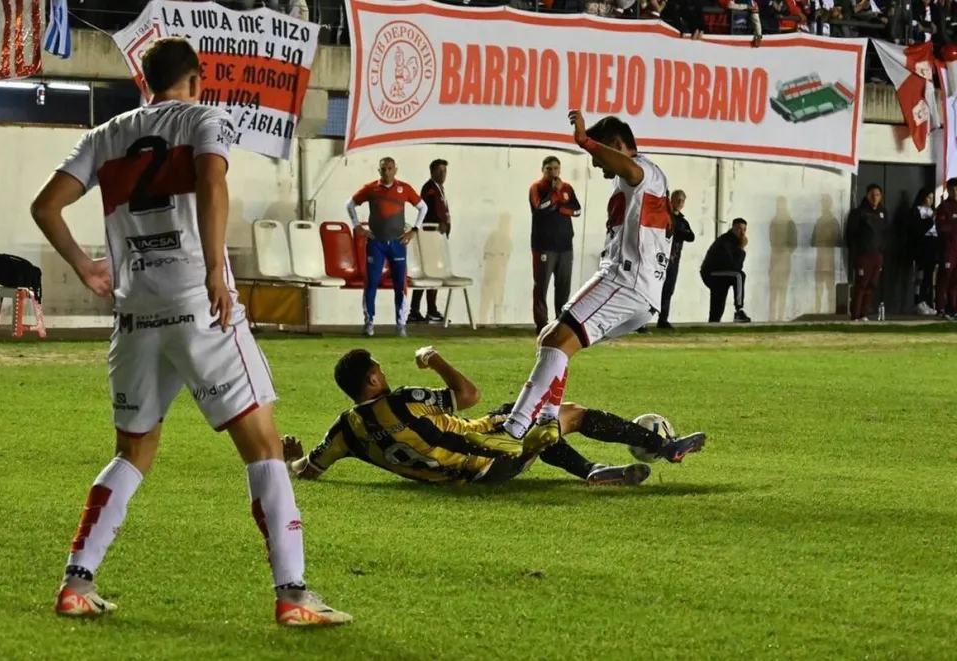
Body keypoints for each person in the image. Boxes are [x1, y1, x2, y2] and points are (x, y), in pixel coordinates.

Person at [29, 37, 349, 626]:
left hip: (135, 312)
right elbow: (212, 181)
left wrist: (85, 264)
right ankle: (294, 593)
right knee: (263, 447)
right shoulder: (207, 117)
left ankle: (77, 582)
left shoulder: (106, 135)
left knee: (132, 451)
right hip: (198, 304)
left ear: (143, 80)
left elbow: (45, 206)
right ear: (197, 78)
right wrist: (212, 272)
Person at [462, 110, 706, 460]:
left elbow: (629, 167)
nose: (595, 164)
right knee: (556, 340)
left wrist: (584, 141)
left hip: (624, 281)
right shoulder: (645, 180)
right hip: (639, 293)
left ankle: (512, 429)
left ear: (617, 146)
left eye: (598, 154)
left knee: (556, 339)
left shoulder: (643, 172)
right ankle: (547, 419)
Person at [285, 347, 705, 487]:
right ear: (374, 376)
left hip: (463, 473)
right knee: (568, 414)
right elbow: (467, 395)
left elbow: (308, 470)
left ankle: (593, 471)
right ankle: (664, 446)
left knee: (527, 418)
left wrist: (289, 458)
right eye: (380, 368)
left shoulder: (345, 430)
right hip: (491, 456)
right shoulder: (403, 400)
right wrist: (434, 359)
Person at [346, 157, 428, 338]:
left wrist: (414, 229)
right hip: (376, 243)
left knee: (400, 284)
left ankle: (401, 324)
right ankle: (369, 323)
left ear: (395, 170)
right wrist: (358, 227)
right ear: (379, 170)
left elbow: (423, 207)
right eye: (383, 169)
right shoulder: (371, 188)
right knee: (371, 283)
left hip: (398, 243)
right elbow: (349, 204)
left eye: (390, 168)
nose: (387, 172)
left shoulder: (404, 188)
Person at [529, 156, 582, 334]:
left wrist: (559, 207)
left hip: (565, 245)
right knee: (541, 285)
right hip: (544, 245)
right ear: (542, 170)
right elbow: (540, 208)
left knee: (563, 285)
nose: (553, 172)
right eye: (549, 169)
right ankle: (541, 324)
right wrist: (554, 194)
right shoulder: (537, 187)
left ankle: (561, 322)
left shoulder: (567, 187)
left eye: (556, 168)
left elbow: (577, 210)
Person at [408, 159, 450, 324]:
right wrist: (437, 224)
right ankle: (430, 310)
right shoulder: (430, 189)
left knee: (428, 274)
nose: (443, 174)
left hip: (437, 237)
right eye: (439, 171)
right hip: (430, 237)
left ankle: (415, 310)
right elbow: (430, 211)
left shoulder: (439, 189)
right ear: (432, 171)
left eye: (445, 171)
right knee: (431, 273)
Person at [845, 184, 889, 322]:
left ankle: (865, 313)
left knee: (872, 285)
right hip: (863, 256)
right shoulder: (859, 213)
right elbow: (850, 235)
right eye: (872, 195)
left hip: (877, 255)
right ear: (867, 195)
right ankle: (855, 315)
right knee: (861, 285)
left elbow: (886, 233)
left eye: (877, 195)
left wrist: (883, 250)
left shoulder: (883, 213)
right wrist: (857, 251)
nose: (875, 198)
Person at [700, 219, 752, 323]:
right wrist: (741, 249)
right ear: (733, 228)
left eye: (744, 230)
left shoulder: (734, 242)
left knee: (717, 307)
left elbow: (736, 266)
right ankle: (739, 310)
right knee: (739, 276)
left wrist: (741, 249)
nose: (742, 233)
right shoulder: (725, 241)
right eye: (739, 229)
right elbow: (733, 266)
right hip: (711, 274)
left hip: (721, 274)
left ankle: (713, 324)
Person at [657, 189, 695, 329]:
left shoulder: (682, 221)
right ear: (671, 200)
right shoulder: (664, 216)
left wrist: (677, 231)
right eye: (678, 200)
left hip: (674, 260)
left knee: (668, 289)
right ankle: (642, 321)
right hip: (659, 259)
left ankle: (663, 319)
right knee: (653, 288)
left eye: (682, 201)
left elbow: (691, 236)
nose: (680, 203)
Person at [907, 187, 937, 316]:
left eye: (932, 198)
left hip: (933, 244)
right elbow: (917, 229)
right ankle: (917, 301)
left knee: (928, 276)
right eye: (928, 197)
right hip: (921, 245)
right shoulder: (916, 211)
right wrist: (931, 221)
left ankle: (926, 301)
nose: (930, 200)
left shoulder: (932, 211)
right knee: (920, 275)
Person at [934, 178, 957, 319]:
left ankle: (953, 308)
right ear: (948, 190)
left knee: (955, 281)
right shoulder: (944, 207)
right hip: (948, 250)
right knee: (944, 279)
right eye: (953, 189)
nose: (955, 192)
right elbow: (941, 228)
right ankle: (941, 308)